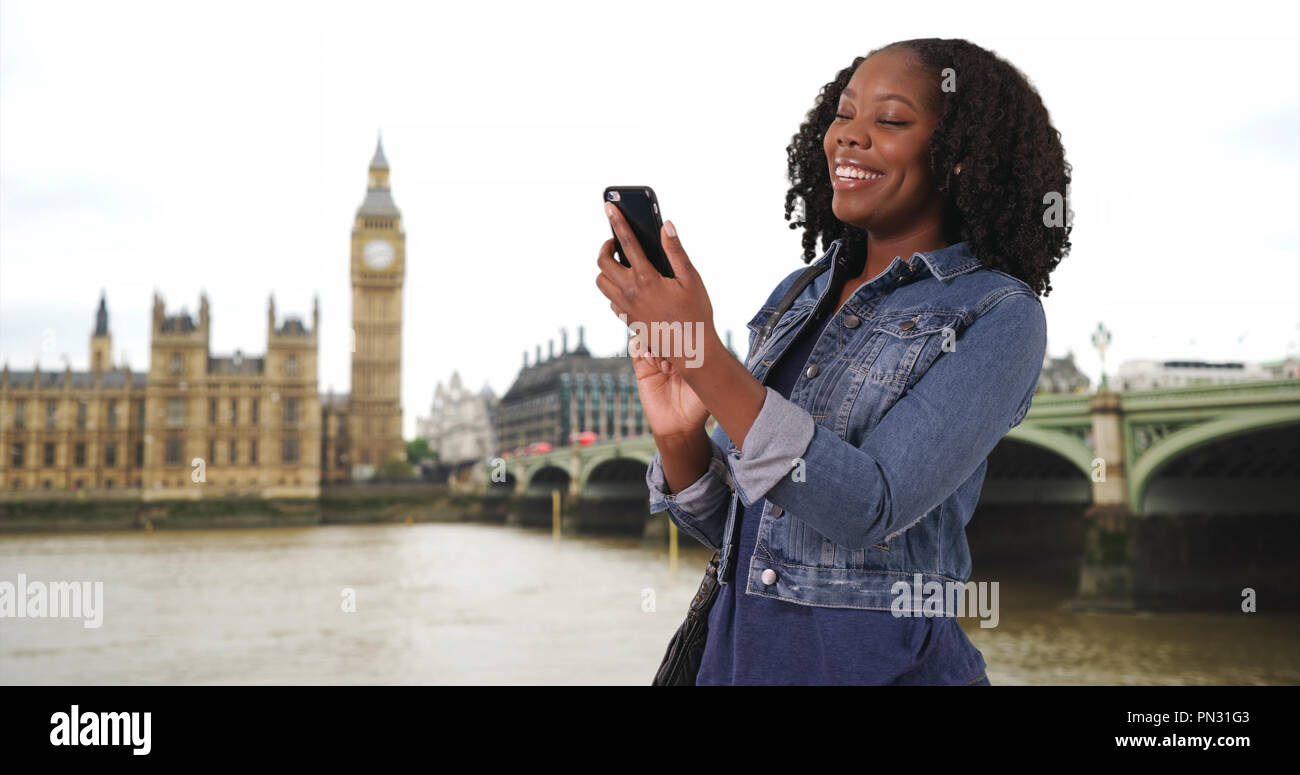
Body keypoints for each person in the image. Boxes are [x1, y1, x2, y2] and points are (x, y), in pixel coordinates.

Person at [595, 37, 1070, 685]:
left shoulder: (997, 314)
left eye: (891, 120)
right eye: (843, 115)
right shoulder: (798, 294)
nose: (850, 137)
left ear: (958, 157)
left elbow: (868, 507)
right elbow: (754, 542)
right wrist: (680, 436)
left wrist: (702, 352)